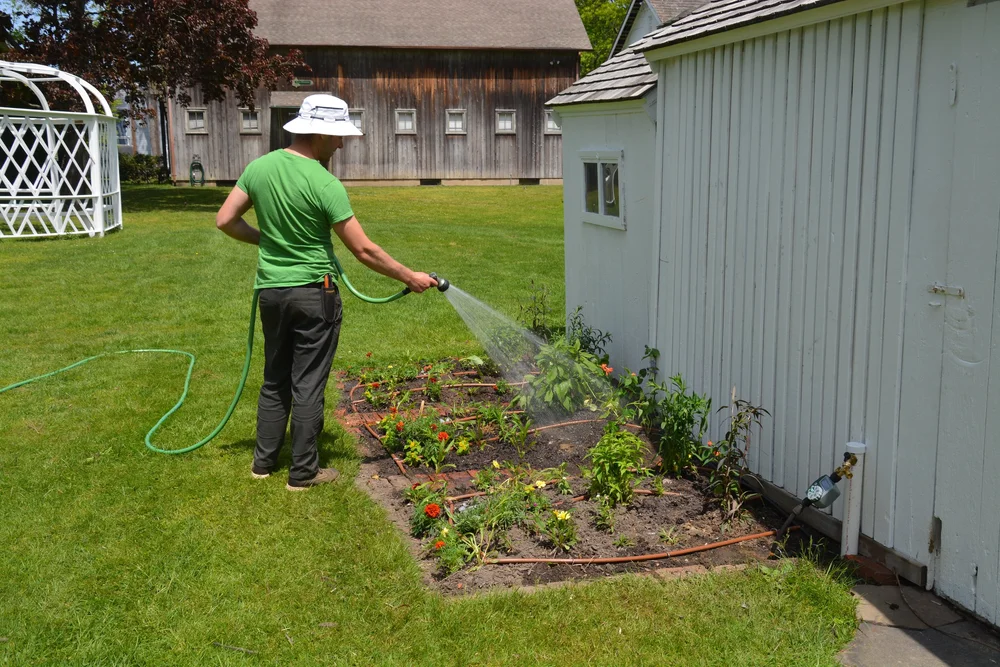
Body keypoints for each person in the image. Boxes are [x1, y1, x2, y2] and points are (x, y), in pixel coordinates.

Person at [215, 94, 438, 491]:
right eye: (338, 137)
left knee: (274, 378)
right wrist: (409, 277)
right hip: (313, 295)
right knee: (308, 383)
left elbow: (226, 220)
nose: (341, 143)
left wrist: (267, 241)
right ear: (319, 133)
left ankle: (262, 464)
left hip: (271, 293)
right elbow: (363, 249)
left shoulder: (259, 168)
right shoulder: (325, 182)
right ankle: (303, 473)